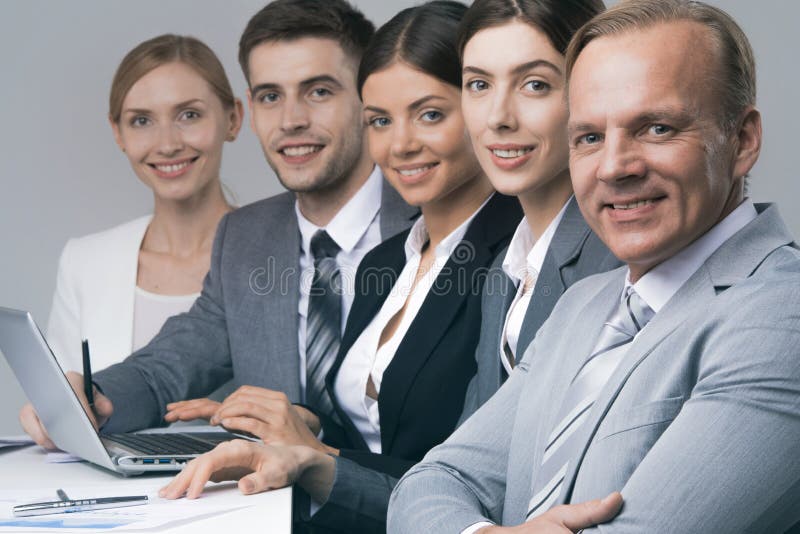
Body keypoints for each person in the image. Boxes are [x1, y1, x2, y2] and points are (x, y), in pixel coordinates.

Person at [388, 0, 800, 532]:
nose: (613, 167)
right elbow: (429, 484)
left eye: (656, 127)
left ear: (742, 141)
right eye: (588, 137)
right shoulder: (586, 304)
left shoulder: (782, 316)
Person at [158, 3, 523, 533]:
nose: (400, 145)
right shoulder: (389, 260)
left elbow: (473, 479)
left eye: (430, 114)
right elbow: (378, 432)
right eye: (380, 120)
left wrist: (315, 456)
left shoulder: (518, 259)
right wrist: (301, 426)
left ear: (479, 106)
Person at [20, 0, 416, 447]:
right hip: (264, 507)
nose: (291, 121)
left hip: (399, 502)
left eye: (318, 91)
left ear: (368, 98)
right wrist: (98, 397)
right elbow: (168, 364)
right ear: (250, 107)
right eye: (271, 96)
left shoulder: (432, 220)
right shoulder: (246, 238)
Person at [456, 0, 621, 422]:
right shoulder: (503, 273)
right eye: (479, 85)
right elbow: (465, 464)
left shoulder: (618, 259)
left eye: (534, 85)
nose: (498, 117)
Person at [46, 34, 243, 375]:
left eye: (189, 115)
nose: (167, 144)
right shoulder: (84, 263)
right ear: (118, 132)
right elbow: (65, 412)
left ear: (233, 119)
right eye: (141, 121)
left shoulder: (283, 255)